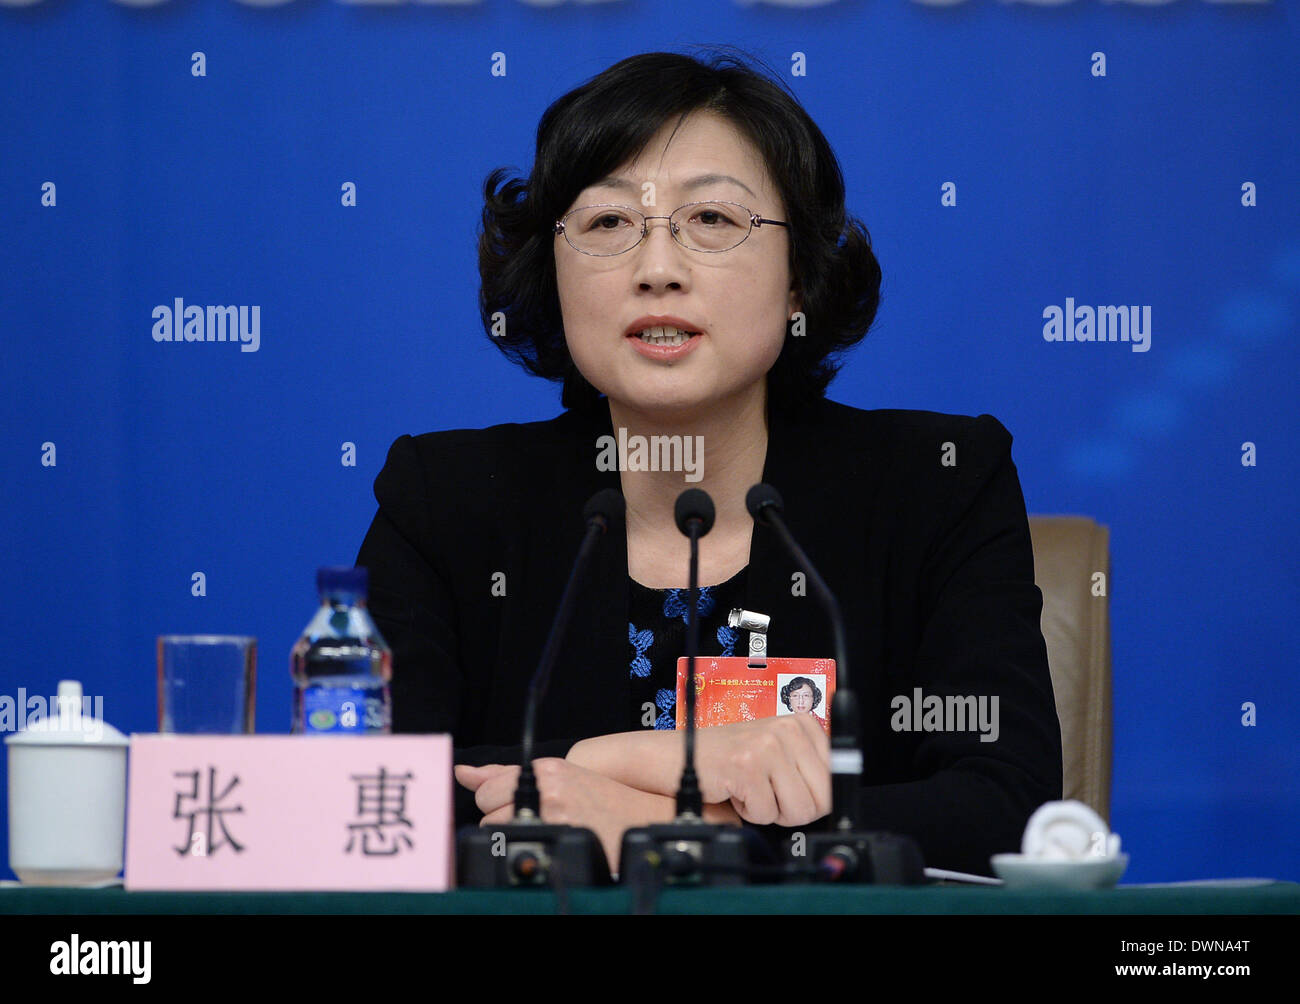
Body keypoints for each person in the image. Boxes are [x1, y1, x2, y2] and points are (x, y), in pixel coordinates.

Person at [355, 48, 1063, 876]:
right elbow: (371, 801)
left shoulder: (935, 483)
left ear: (800, 279)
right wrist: (675, 761)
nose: (658, 270)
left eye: (714, 222)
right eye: (608, 224)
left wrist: (660, 819)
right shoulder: (447, 504)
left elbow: (1007, 808)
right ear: (550, 269)